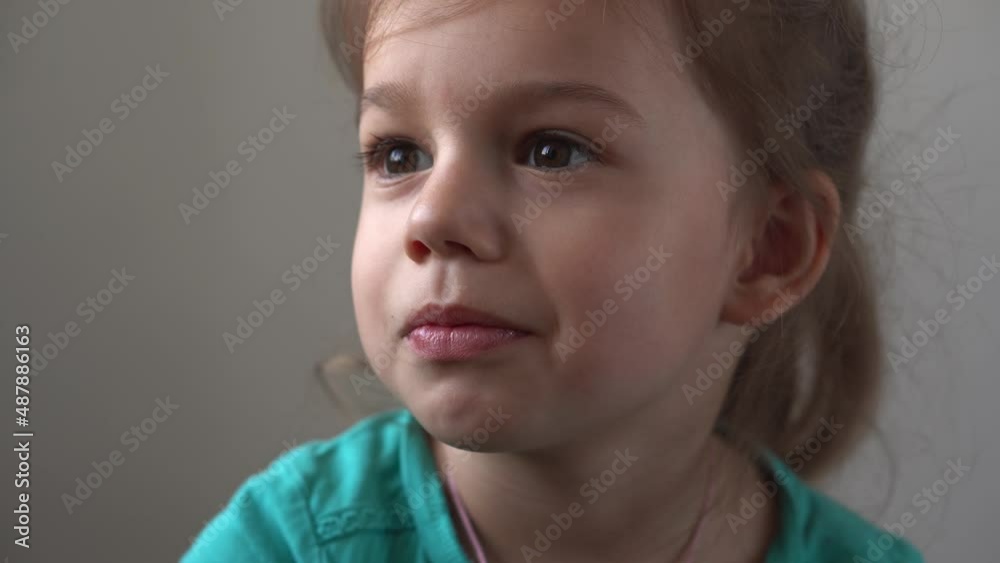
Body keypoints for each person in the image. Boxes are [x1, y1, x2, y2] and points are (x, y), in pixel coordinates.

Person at [183, 0, 925, 561]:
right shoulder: (283, 544)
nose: (433, 217)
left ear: (768, 247)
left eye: (551, 151)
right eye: (400, 155)